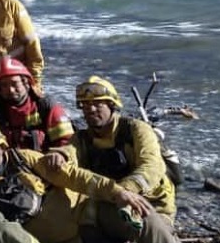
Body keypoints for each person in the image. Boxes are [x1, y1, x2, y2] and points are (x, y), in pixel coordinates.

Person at [0, 120, 216, 243]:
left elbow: (75, 177)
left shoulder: (25, 159)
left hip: (91, 212)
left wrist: (117, 192)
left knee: (141, 213)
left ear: (2, 146)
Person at [67, 76, 176, 219]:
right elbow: (68, 161)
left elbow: (152, 166)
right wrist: (58, 156)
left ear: (112, 105)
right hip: (111, 202)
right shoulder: (80, 139)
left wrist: (125, 189)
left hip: (153, 205)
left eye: (98, 104)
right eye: (85, 105)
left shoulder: (137, 130)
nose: (91, 109)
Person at [0, 57, 73, 155]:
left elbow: (66, 141)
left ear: (26, 84)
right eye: (4, 85)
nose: (10, 90)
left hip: (45, 164)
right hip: (9, 166)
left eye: (14, 84)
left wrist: (58, 155)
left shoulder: (46, 106)